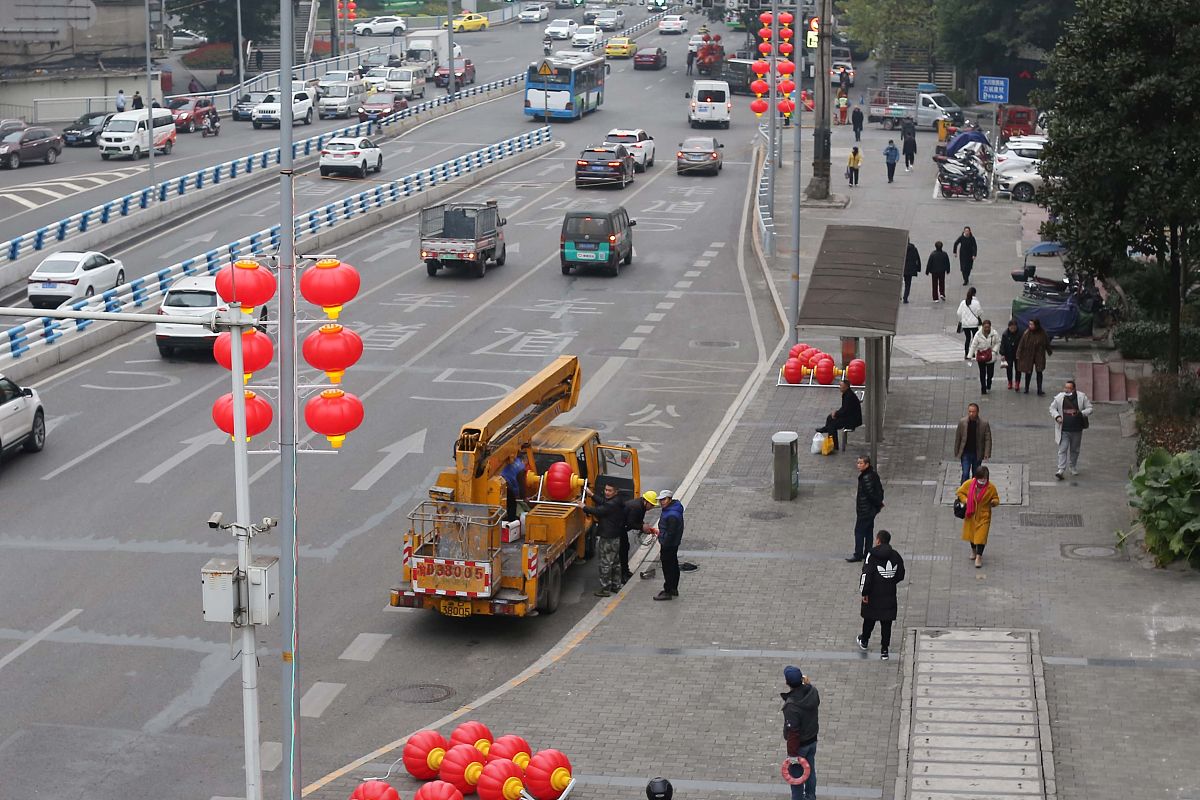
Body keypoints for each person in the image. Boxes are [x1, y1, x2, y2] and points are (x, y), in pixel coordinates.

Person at [856, 530, 905, 660]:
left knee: (869, 618)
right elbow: (901, 574)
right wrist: (890, 582)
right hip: (889, 594)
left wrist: (864, 592)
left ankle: (864, 640)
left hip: (873, 594)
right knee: (886, 622)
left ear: (878, 540)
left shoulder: (871, 555)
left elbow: (866, 575)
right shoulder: (895, 555)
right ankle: (884, 650)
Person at [580, 483, 627, 597]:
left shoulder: (611, 504)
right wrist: (592, 495)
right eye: (606, 490)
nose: (606, 492)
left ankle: (605, 589)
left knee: (605, 564)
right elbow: (604, 503)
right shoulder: (617, 501)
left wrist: (583, 507)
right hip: (615, 536)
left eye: (610, 491)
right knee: (615, 563)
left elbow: (599, 511)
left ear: (615, 492)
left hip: (607, 538)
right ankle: (616, 585)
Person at [781, 665, 819, 800]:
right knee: (810, 771)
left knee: (796, 778)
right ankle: (810, 796)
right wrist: (807, 684)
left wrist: (792, 755)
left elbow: (793, 732)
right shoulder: (813, 692)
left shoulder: (791, 706)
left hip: (799, 747)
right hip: (812, 740)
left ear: (787, 682)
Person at [956, 466, 1000, 568]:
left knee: (981, 536)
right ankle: (973, 550)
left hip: (984, 515)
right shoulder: (969, 484)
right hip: (971, 514)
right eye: (981, 478)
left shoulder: (991, 487)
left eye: (985, 478)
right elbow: (959, 492)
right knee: (972, 535)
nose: (983, 480)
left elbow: (996, 498)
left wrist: (994, 502)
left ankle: (979, 557)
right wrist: (966, 500)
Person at [1050, 380, 1093, 480]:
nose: (1066, 390)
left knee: (1075, 449)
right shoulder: (1060, 397)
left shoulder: (1081, 397)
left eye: (1069, 388)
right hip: (1064, 429)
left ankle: (1073, 466)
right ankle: (1061, 469)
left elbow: (1090, 408)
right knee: (1063, 449)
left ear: (1074, 389)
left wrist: (1081, 413)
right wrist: (1057, 416)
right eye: (1065, 387)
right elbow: (1052, 408)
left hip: (1077, 429)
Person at [847, 455, 884, 562]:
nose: (858, 465)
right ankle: (868, 552)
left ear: (867, 464)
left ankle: (858, 554)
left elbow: (870, 494)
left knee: (859, 532)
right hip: (870, 510)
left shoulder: (866, 477)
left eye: (861, 463)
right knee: (868, 532)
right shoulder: (872, 474)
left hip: (865, 510)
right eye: (858, 463)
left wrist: (878, 504)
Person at [814, 379, 862, 451]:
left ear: (846, 387)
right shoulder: (847, 394)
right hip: (850, 416)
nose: (839, 387)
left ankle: (833, 444)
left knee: (832, 424)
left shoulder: (848, 396)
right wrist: (836, 413)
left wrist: (836, 414)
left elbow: (845, 410)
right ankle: (827, 431)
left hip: (852, 420)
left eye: (841, 386)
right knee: (830, 418)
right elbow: (844, 409)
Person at [623, 490, 658, 584]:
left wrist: (644, 527)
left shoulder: (641, 506)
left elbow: (637, 520)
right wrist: (642, 527)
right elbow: (631, 523)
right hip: (617, 529)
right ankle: (623, 574)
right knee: (622, 550)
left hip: (621, 528)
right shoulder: (636, 507)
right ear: (646, 501)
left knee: (625, 548)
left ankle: (625, 571)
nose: (652, 507)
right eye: (652, 505)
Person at [655, 489, 684, 600]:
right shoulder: (672, 509)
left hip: (669, 544)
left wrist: (664, 541)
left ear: (670, 499)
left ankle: (668, 591)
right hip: (672, 543)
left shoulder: (672, 515)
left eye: (664, 499)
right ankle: (673, 588)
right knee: (673, 565)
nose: (661, 502)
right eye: (660, 500)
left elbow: (671, 533)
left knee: (668, 567)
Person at [953, 403, 992, 484]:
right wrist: (957, 451)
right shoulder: (962, 422)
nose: (971, 413)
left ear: (977, 412)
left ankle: (974, 489)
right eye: (969, 411)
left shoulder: (984, 424)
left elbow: (988, 439)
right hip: (965, 453)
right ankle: (963, 490)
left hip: (977, 453)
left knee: (976, 474)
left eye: (973, 412)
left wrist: (987, 453)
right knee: (965, 473)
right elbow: (958, 437)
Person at [1015, 318, 1052, 395]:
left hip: (1039, 355)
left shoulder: (1042, 333)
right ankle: (1026, 388)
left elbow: (1046, 342)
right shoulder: (1027, 333)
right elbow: (1021, 344)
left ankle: (1039, 389)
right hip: (1028, 354)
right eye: (1030, 324)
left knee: (1039, 371)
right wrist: (1018, 353)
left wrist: (1049, 351)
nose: (1030, 326)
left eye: (1032, 324)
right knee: (1028, 371)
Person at [968, 319, 1000, 393]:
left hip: (991, 356)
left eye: (988, 327)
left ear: (990, 327)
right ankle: (983, 388)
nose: (986, 329)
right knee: (982, 373)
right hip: (981, 355)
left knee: (990, 373)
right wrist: (970, 355)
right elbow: (973, 345)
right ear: (982, 327)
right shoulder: (978, 334)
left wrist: (994, 351)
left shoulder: (994, 333)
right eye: (985, 327)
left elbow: (998, 342)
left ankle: (989, 383)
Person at [956, 288, 983, 357]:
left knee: (967, 338)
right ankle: (973, 352)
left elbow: (958, 313)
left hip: (965, 324)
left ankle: (966, 353)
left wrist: (963, 319)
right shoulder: (976, 303)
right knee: (974, 339)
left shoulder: (963, 302)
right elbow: (980, 312)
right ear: (975, 294)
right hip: (974, 324)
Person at [1000, 319, 1023, 391]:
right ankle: (1010, 382)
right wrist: (1002, 354)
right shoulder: (1005, 334)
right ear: (1009, 327)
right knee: (1009, 369)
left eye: (1014, 328)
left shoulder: (1020, 333)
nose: (1012, 329)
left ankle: (1017, 383)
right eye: (1011, 328)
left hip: (1018, 354)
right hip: (1008, 354)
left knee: (1018, 369)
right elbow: (1002, 344)